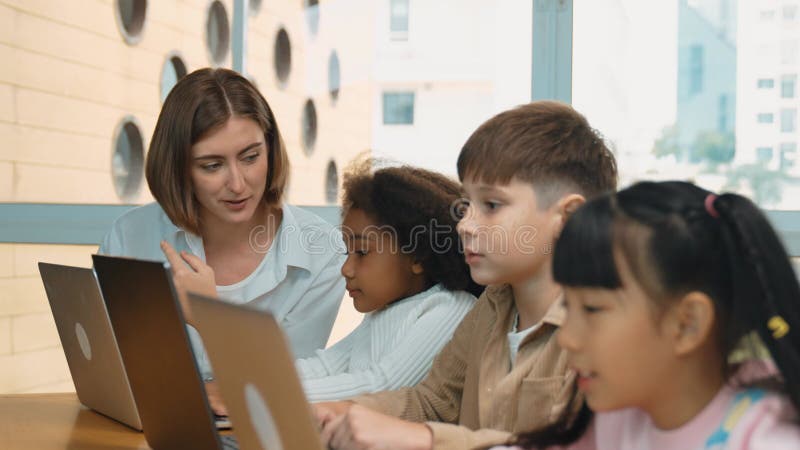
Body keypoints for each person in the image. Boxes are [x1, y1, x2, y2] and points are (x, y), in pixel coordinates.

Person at [316, 101, 618, 450]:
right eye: (466, 204)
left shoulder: (605, 331)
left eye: (491, 205)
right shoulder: (492, 305)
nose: (465, 225)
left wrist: (425, 438)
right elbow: (432, 401)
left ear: (567, 218)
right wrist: (340, 411)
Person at [493, 181, 800, 450]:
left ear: (687, 324)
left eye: (592, 309)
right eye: (567, 307)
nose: (567, 338)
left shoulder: (767, 440)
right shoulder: (622, 416)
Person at [99, 68, 345, 386]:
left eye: (250, 157)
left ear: (270, 148)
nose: (238, 184)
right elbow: (110, 371)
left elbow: (281, 390)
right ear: (178, 168)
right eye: (212, 166)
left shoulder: (321, 252)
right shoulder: (130, 236)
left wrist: (209, 315)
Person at [296, 163, 477, 402]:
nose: (346, 269)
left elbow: (381, 385)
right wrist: (244, 383)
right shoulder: (384, 311)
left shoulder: (450, 307)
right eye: (346, 252)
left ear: (417, 256)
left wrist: (263, 396)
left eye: (361, 252)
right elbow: (325, 367)